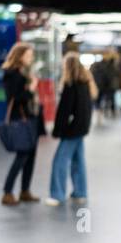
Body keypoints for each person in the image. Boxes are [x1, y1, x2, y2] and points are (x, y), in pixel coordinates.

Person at [47, 52, 95, 206]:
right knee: (78, 160)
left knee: (59, 160)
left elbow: (64, 111)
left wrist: (57, 130)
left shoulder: (70, 85)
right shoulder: (86, 83)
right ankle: (80, 192)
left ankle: (57, 195)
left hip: (71, 129)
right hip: (82, 127)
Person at [0, 42, 43, 205]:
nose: (31, 58)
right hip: (20, 119)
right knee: (22, 156)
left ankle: (25, 190)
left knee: (31, 156)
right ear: (20, 56)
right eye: (28, 55)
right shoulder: (12, 74)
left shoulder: (25, 72)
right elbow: (15, 97)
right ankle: (7, 192)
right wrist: (31, 88)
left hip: (31, 118)